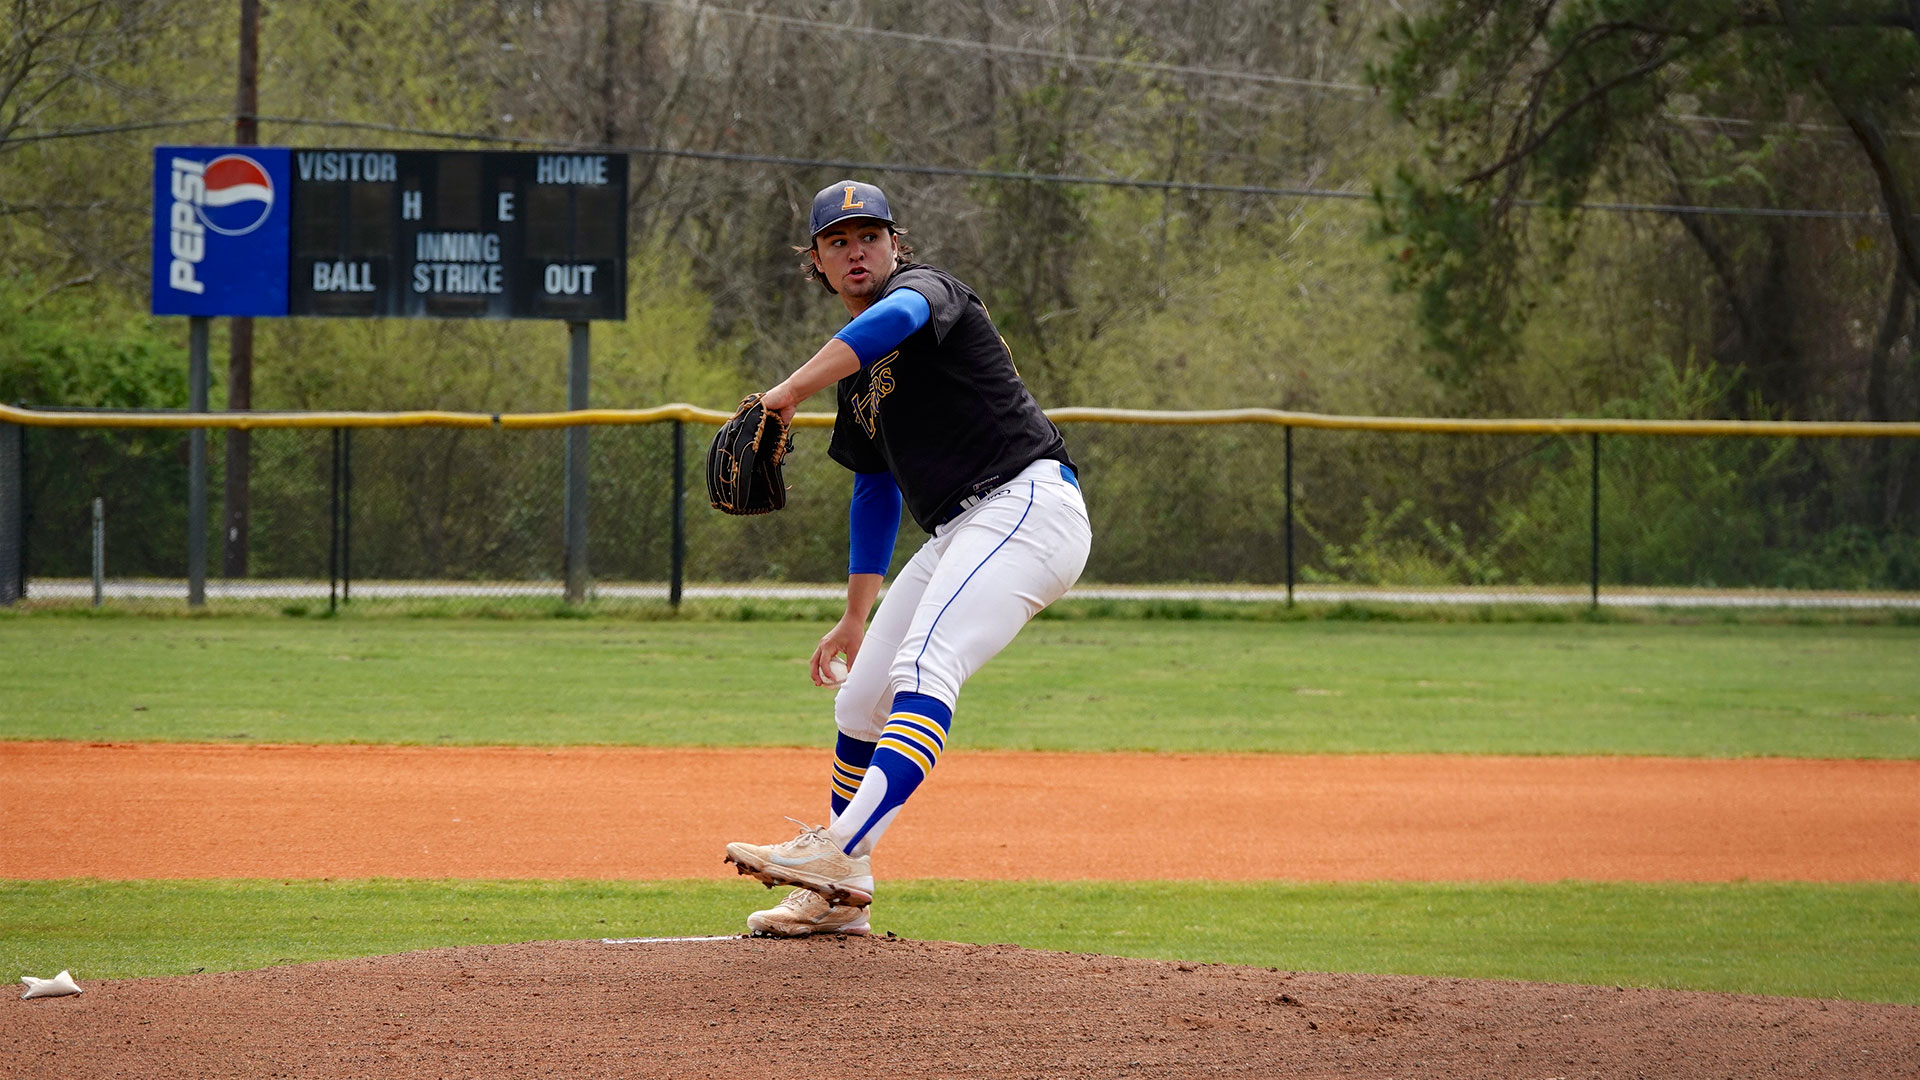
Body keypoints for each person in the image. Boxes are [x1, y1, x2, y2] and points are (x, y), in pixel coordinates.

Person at [723, 179, 1092, 936]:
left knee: (925, 668)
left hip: (1024, 502)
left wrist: (789, 389)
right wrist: (857, 614)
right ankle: (837, 898)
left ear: (895, 245)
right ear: (817, 263)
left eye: (869, 237)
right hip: (960, 529)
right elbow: (874, 488)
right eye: (837, 242)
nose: (856, 251)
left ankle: (838, 847)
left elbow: (897, 316)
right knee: (859, 699)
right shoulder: (858, 380)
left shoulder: (927, 294)